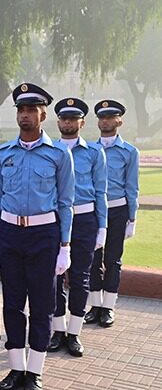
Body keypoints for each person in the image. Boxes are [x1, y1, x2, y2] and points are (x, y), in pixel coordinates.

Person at [0, 82, 74, 390]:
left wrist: (64, 247)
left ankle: (35, 371)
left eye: (31, 110)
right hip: (9, 234)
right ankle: (17, 368)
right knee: (12, 304)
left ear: (43, 114)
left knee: (41, 306)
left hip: (43, 235)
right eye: (21, 110)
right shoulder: (3, 154)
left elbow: (65, 203)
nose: (25, 115)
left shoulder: (58, 156)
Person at [48, 98, 107, 357]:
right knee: (54, 277)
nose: (68, 122)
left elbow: (101, 192)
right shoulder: (49, 150)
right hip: (56, 219)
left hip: (84, 219)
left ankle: (74, 333)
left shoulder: (95, 153)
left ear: (82, 122)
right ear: (58, 121)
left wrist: (102, 226)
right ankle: (57, 329)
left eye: (73, 118)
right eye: (64, 118)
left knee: (81, 276)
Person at [85, 100, 139, 328]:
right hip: (94, 210)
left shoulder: (129, 152)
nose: (105, 121)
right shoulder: (89, 150)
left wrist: (132, 217)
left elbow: (132, 186)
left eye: (110, 117)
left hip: (117, 209)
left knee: (113, 259)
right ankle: (95, 305)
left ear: (119, 121)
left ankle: (108, 307)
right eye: (102, 117)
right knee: (92, 260)